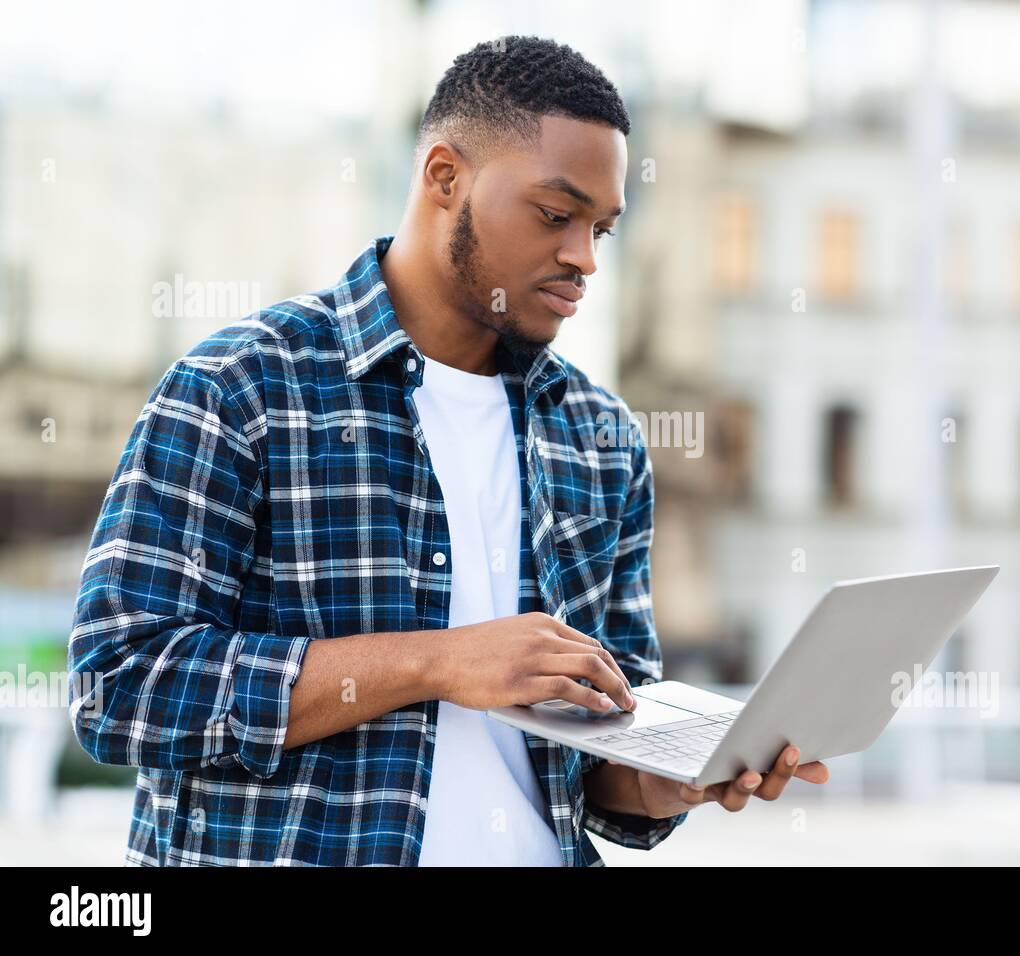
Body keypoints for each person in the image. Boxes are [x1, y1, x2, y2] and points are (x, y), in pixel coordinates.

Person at [67, 34, 828, 867]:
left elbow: (604, 767)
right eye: (554, 214)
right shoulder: (242, 387)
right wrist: (439, 661)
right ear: (443, 177)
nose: (582, 258)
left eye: (602, 229)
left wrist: (675, 776)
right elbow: (120, 688)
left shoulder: (602, 438)